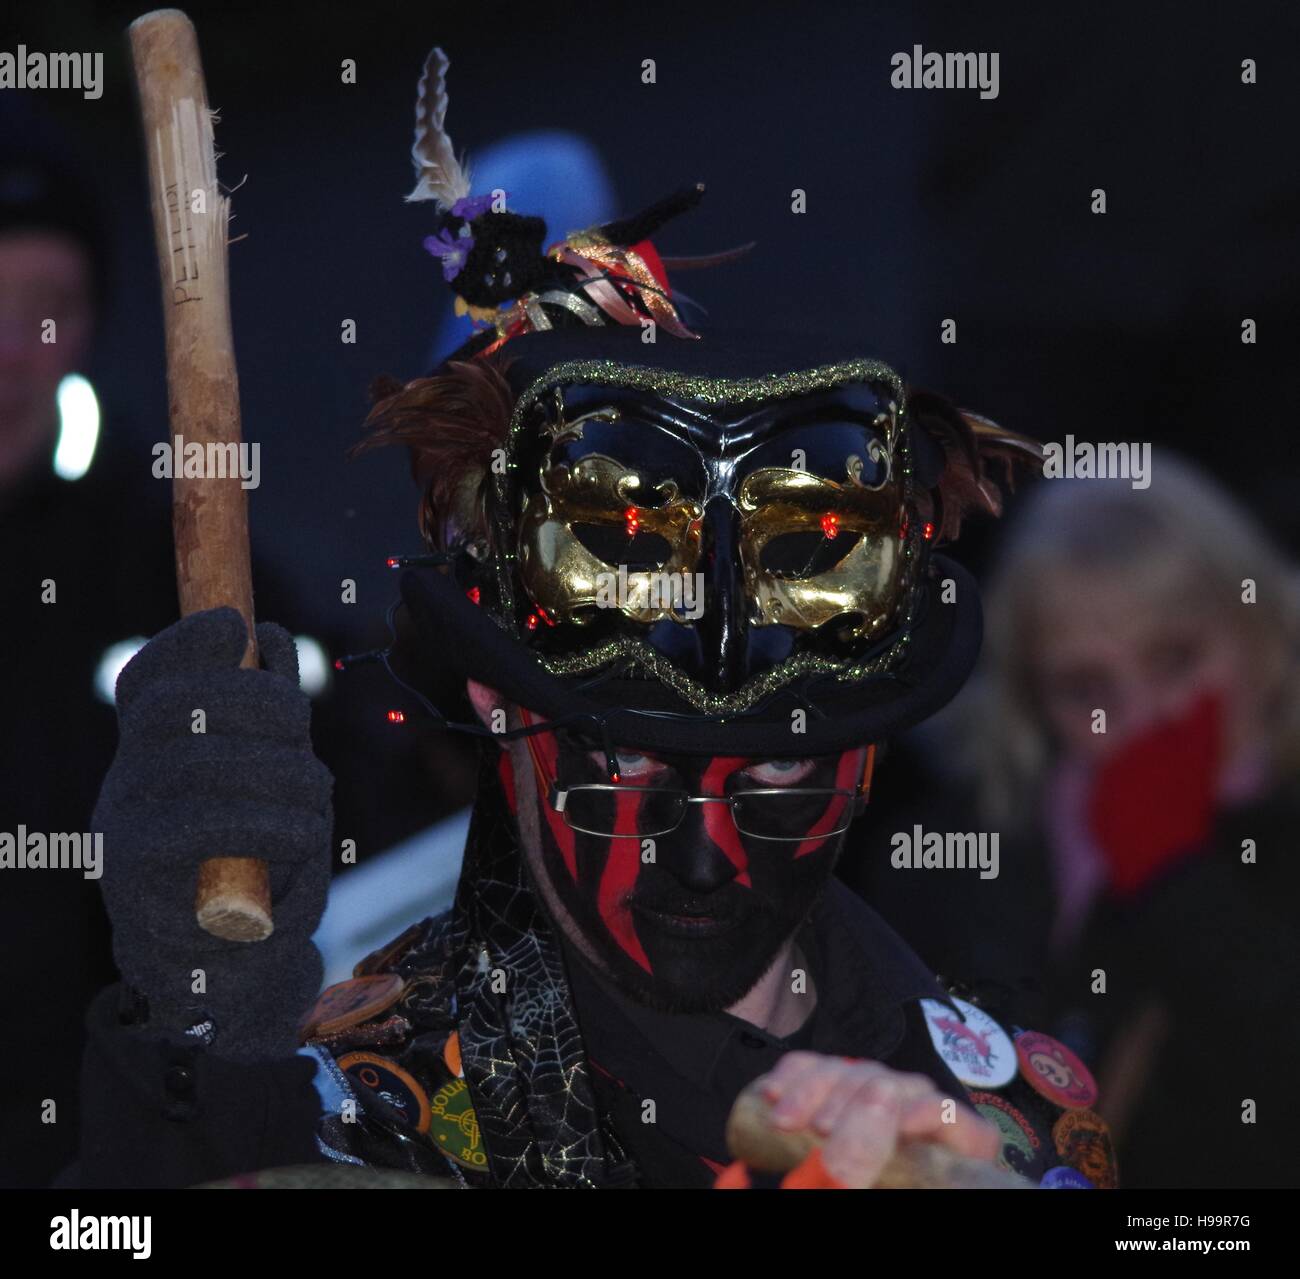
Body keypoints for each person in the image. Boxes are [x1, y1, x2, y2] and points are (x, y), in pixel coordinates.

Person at [70, 48, 1104, 1191]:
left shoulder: (1014, 1126)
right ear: (494, 698)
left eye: (773, 772)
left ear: (862, 751)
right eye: (618, 759)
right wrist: (203, 1056)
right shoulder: (357, 1117)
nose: (703, 863)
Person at [853, 456, 1299, 1187]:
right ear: (1031, 703)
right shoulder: (962, 856)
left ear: (1261, 633)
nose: (1143, 716)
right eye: (1085, 686)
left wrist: (1172, 882)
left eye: (1176, 659)